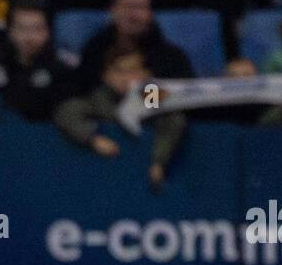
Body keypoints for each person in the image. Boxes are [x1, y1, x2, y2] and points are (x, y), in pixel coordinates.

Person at [54, 45, 185, 190]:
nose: (126, 78)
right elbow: (66, 112)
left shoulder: (152, 99)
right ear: (106, 75)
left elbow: (174, 120)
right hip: (101, 184)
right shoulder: (98, 100)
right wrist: (93, 139)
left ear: (146, 74)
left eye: (133, 70)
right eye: (119, 71)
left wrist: (159, 162)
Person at [74, 0, 194, 95]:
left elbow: (184, 92)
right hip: (104, 105)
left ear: (150, 13)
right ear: (113, 10)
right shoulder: (95, 49)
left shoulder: (170, 56)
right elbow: (81, 86)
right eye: (127, 6)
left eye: (140, 7)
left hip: (150, 105)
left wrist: (144, 84)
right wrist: (107, 80)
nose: (133, 15)